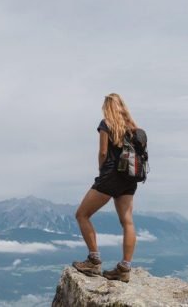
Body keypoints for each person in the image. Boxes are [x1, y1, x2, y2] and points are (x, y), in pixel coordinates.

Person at [71, 93, 143, 283]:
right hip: (130, 179)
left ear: (107, 107)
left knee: (82, 214)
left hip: (111, 176)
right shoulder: (135, 130)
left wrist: (102, 170)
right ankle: (125, 269)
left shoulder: (106, 124)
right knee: (127, 221)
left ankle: (94, 260)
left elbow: (103, 152)